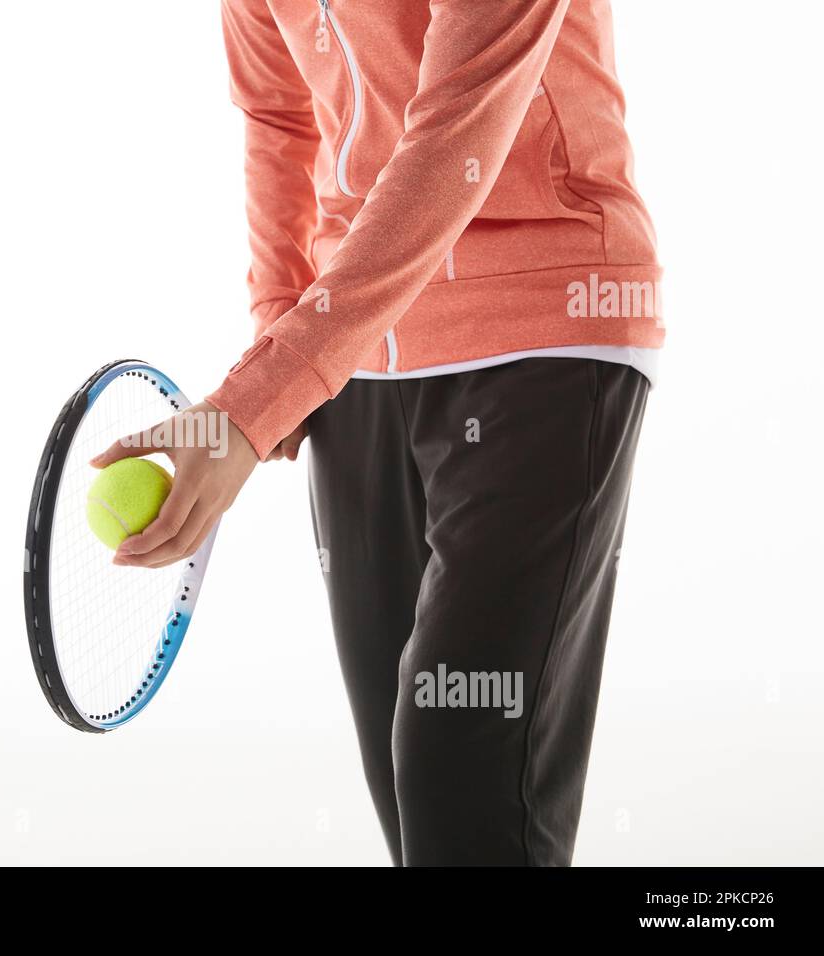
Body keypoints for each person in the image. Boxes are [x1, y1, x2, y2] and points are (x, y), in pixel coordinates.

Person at [91, 0, 662, 865]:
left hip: (545, 326)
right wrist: (280, 345)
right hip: (354, 361)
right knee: (410, 795)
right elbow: (278, 119)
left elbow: (452, 136)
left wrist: (259, 398)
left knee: (456, 769)